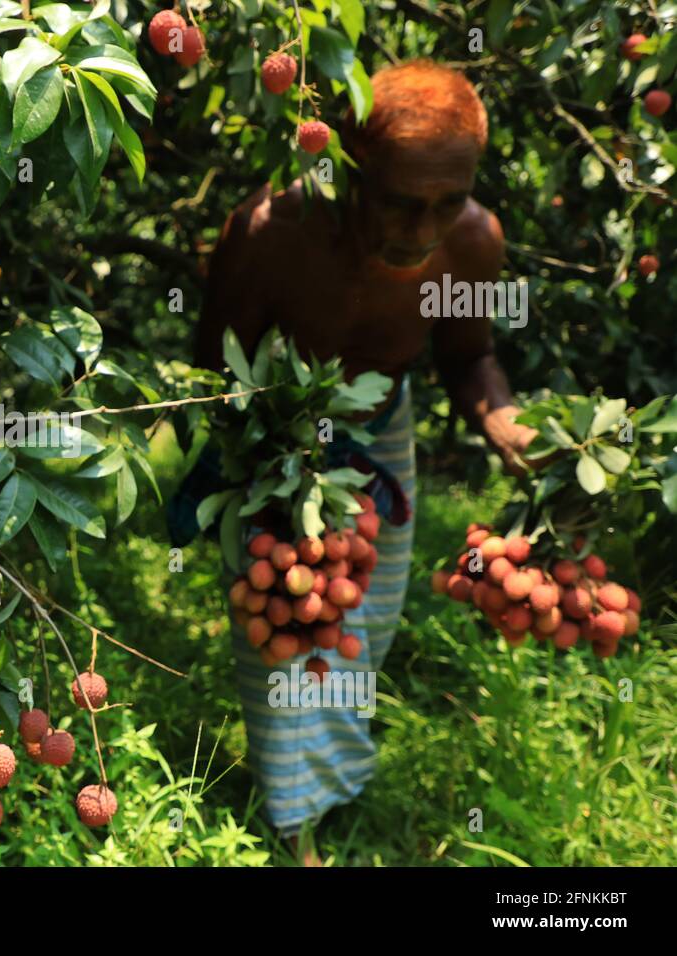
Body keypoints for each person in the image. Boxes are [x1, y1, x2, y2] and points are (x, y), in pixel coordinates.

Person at [190, 61, 536, 864]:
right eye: (401, 203)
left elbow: (469, 357)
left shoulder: (472, 244)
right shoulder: (271, 232)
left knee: (361, 625)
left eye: (447, 203)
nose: (423, 230)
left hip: (379, 435)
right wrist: (271, 463)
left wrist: (509, 424)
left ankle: (331, 783)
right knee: (282, 624)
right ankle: (291, 821)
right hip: (272, 440)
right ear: (350, 167)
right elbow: (214, 367)